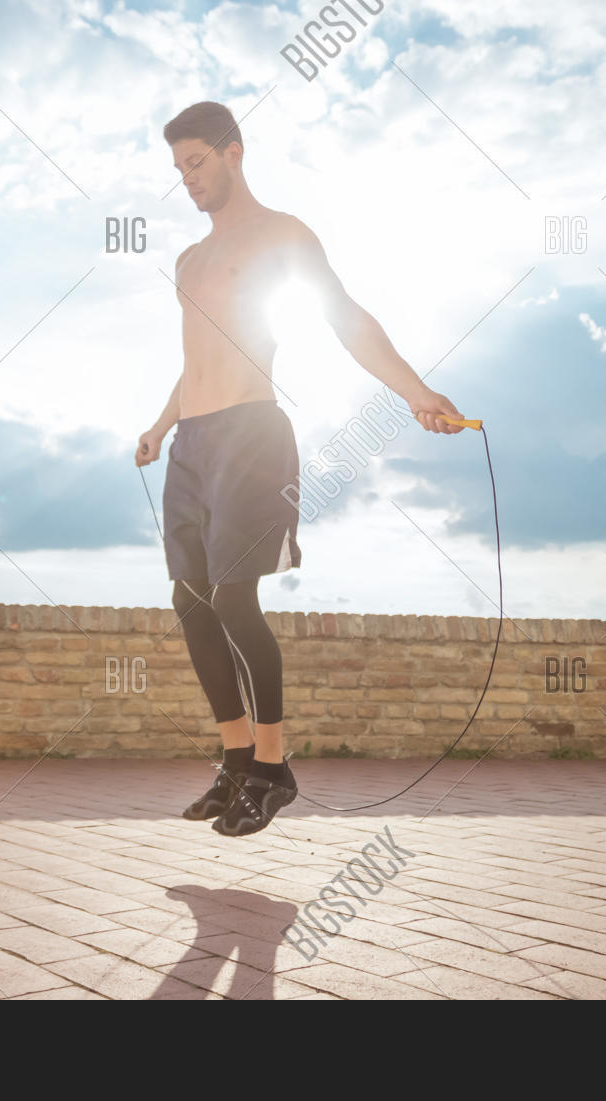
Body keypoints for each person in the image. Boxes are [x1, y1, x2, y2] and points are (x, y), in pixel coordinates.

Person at [135, 101, 464, 836]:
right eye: (178, 169)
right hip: (190, 442)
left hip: (252, 435)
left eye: (196, 163)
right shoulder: (188, 260)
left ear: (233, 152)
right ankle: (233, 758)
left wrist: (416, 394)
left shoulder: (283, 235)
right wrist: (160, 428)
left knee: (231, 599)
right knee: (191, 604)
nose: (187, 180)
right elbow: (194, 360)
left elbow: (344, 317)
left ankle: (273, 767)